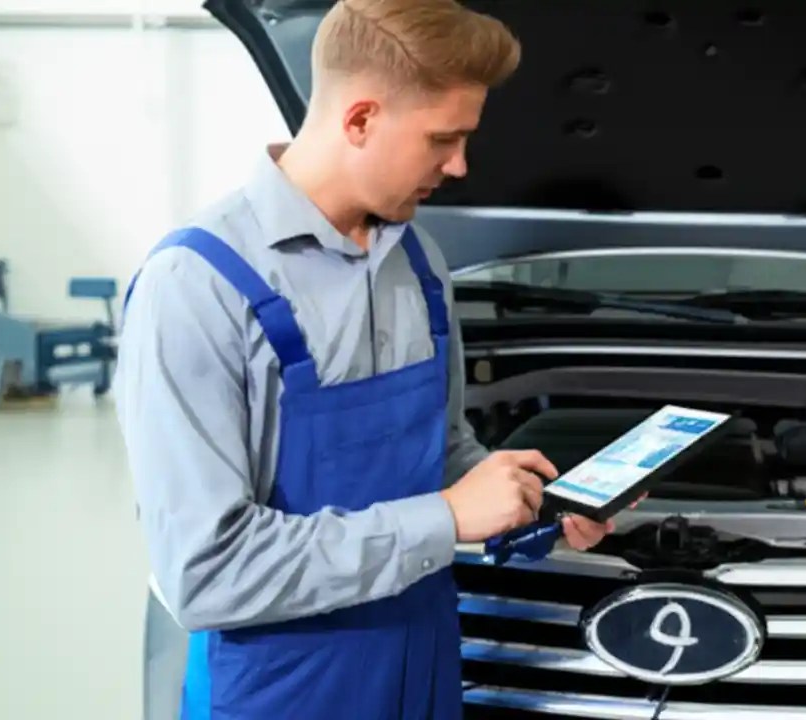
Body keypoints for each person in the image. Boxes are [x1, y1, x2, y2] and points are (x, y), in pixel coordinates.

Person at [115, 1, 616, 718]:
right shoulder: (197, 287)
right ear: (359, 120)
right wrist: (446, 518)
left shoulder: (419, 262)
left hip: (426, 675)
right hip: (280, 692)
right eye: (443, 139)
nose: (460, 165)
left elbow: (439, 451)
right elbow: (205, 571)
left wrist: (523, 501)